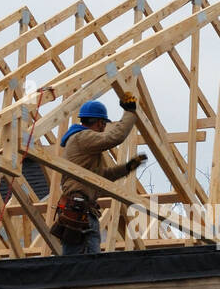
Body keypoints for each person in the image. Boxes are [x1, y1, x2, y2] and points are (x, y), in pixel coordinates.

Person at [50, 92, 147, 254]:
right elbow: (114, 138)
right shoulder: (83, 137)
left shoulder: (83, 145)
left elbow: (101, 176)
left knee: (78, 265)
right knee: (88, 267)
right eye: (103, 125)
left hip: (79, 210)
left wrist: (127, 167)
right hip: (81, 211)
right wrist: (130, 112)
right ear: (101, 123)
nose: (104, 129)